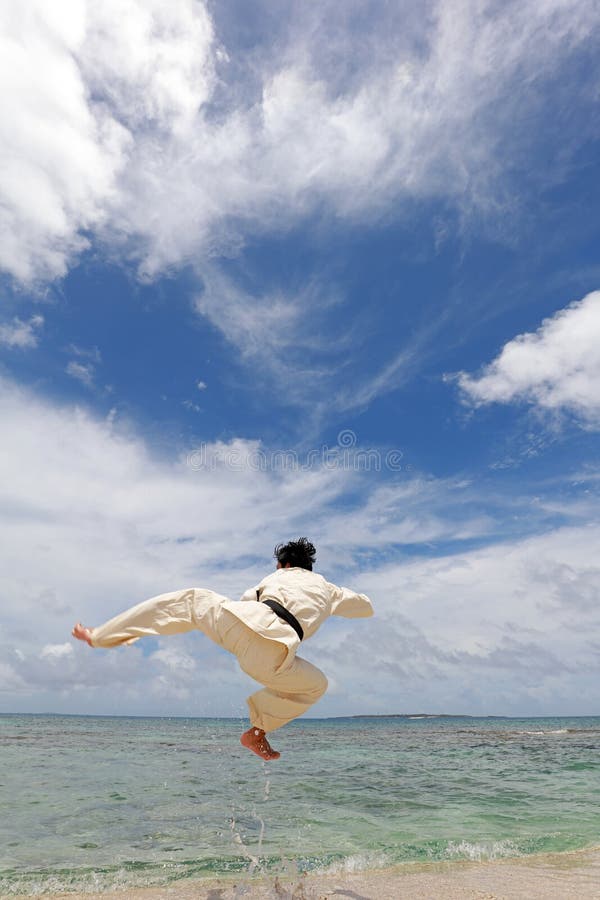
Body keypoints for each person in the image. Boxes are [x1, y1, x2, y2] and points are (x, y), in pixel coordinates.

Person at [72, 538, 373, 760]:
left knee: (191, 600)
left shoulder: (275, 576)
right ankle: (258, 732)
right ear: (307, 567)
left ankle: (98, 636)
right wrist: (344, 599)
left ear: (283, 565)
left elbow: (247, 598)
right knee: (316, 686)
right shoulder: (329, 589)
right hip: (272, 654)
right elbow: (364, 607)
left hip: (240, 622)